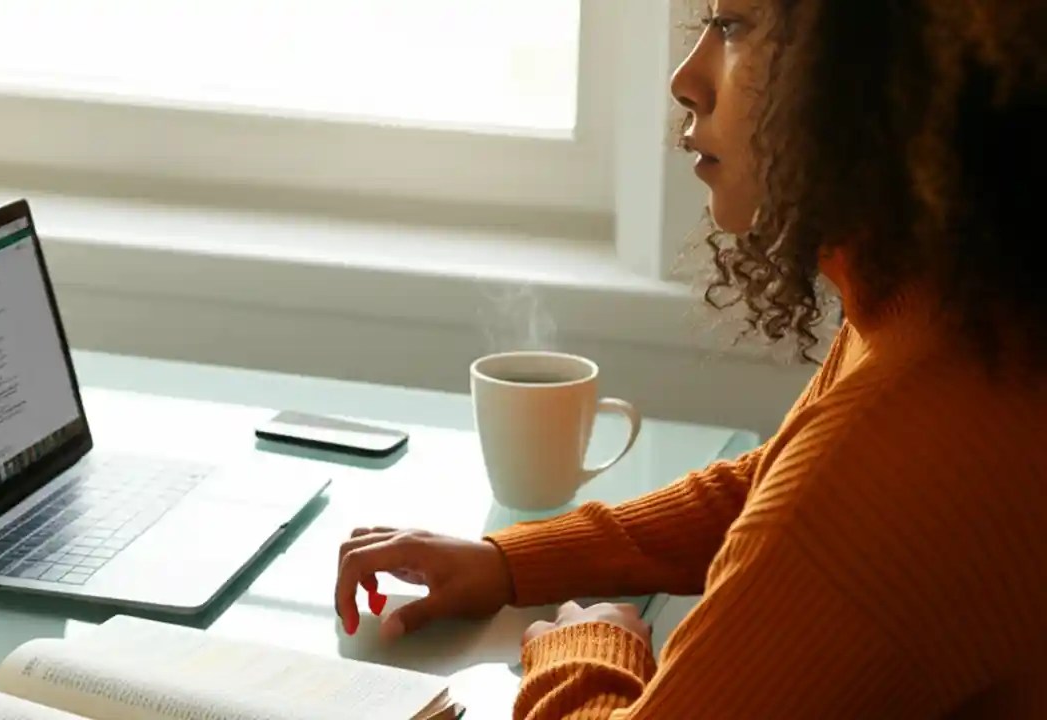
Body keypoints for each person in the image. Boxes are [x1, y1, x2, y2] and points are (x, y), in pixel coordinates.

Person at [334, 0, 1046, 717]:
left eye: (733, 26)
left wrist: (582, 646)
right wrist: (513, 560)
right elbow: (773, 493)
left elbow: (815, 517)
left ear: (879, 69)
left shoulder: (906, 436)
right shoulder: (952, 312)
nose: (686, 77)